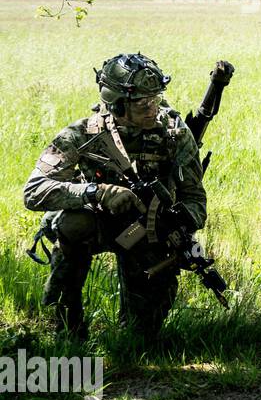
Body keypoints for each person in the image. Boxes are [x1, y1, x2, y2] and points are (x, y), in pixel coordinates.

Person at [23, 53, 207, 342]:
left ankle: (131, 337)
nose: (152, 110)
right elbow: (33, 192)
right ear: (118, 104)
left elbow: (195, 197)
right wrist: (95, 192)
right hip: (95, 225)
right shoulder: (81, 134)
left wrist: (182, 223)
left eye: (156, 99)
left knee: (141, 337)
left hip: (146, 230)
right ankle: (67, 330)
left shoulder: (173, 133)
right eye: (143, 103)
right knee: (72, 224)